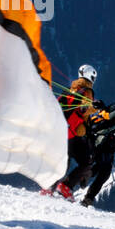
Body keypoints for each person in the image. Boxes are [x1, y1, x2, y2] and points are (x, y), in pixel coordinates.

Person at [52, 101, 115, 206]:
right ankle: (86, 199)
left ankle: (66, 184)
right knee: (104, 174)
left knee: (91, 165)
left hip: (96, 141)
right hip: (107, 148)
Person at [43, 65, 96, 200]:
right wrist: (95, 107)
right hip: (73, 134)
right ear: (92, 76)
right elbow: (85, 108)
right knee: (86, 162)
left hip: (62, 132)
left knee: (64, 161)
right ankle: (66, 186)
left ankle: (49, 187)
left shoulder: (70, 89)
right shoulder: (87, 90)